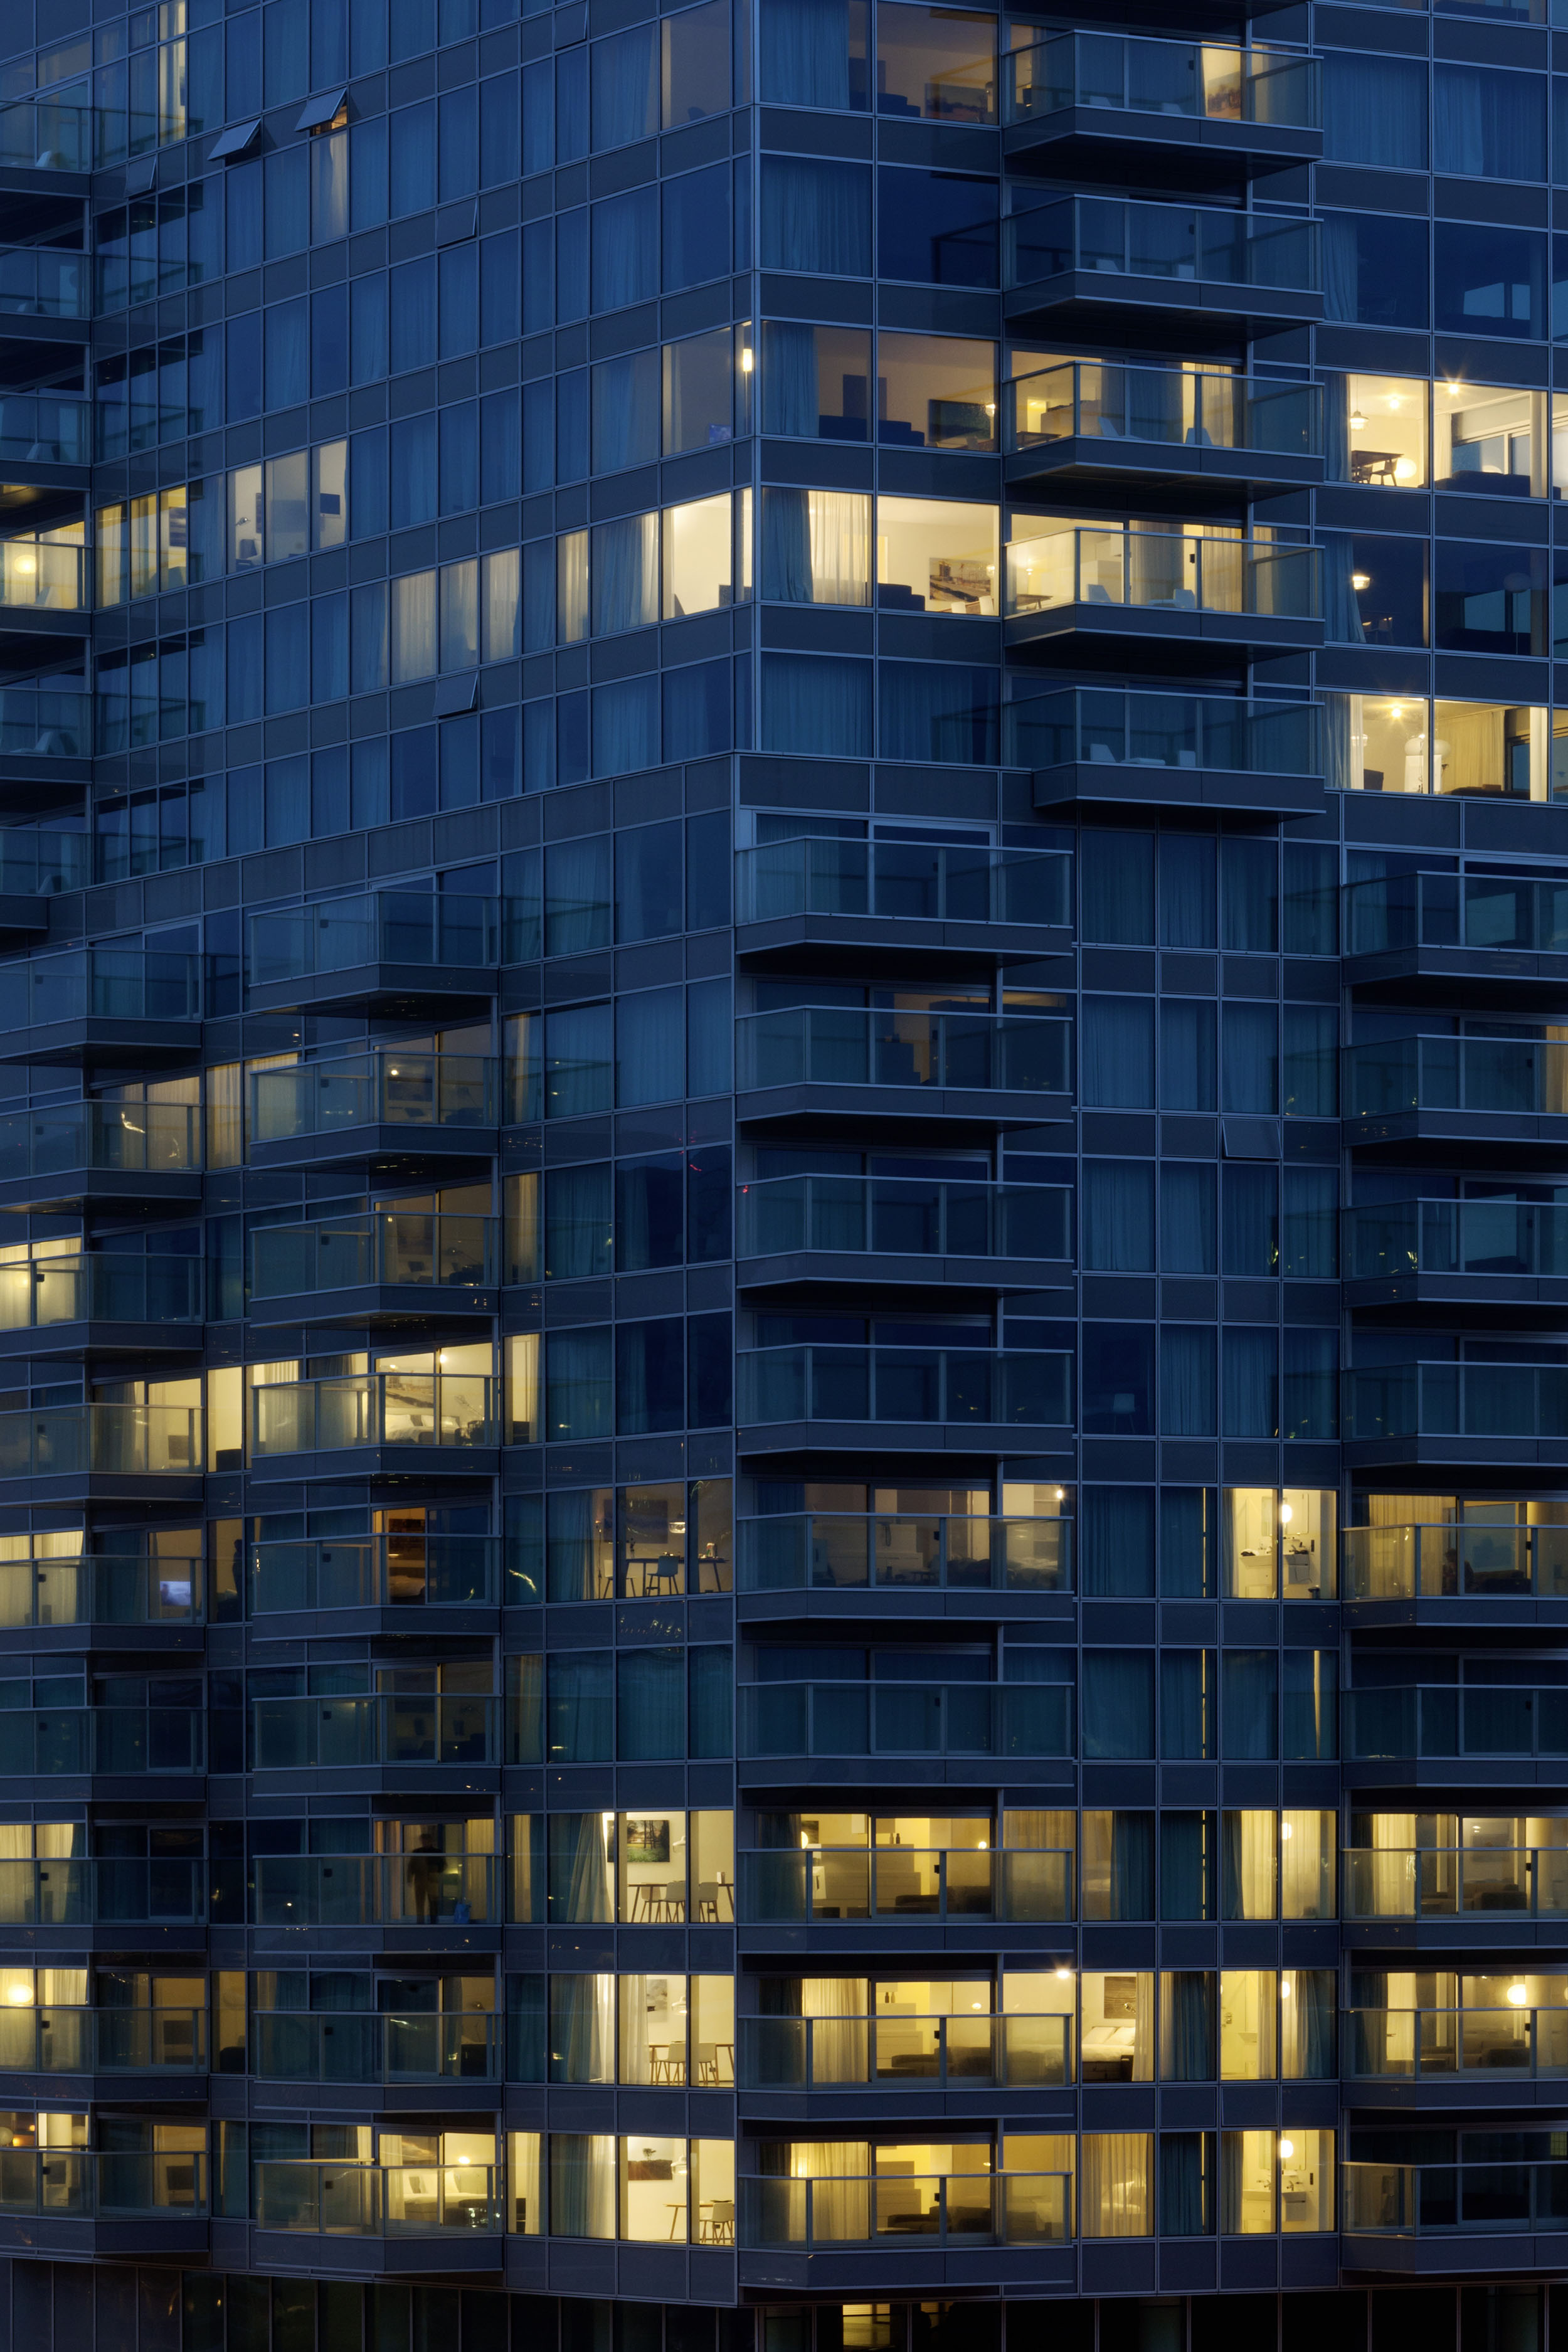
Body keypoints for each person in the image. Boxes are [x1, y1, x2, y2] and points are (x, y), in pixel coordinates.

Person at [406, 1833, 442, 1923]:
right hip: (420, 1879)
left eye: (426, 1840)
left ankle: (433, 1921)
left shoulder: (437, 1852)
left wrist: (436, 1872)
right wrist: (409, 1878)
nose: (424, 1842)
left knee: (433, 1902)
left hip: (432, 1879)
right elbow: (411, 1867)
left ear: (431, 1841)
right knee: (420, 1902)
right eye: (423, 1840)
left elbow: (442, 1865)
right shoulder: (417, 1852)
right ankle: (420, 1922)